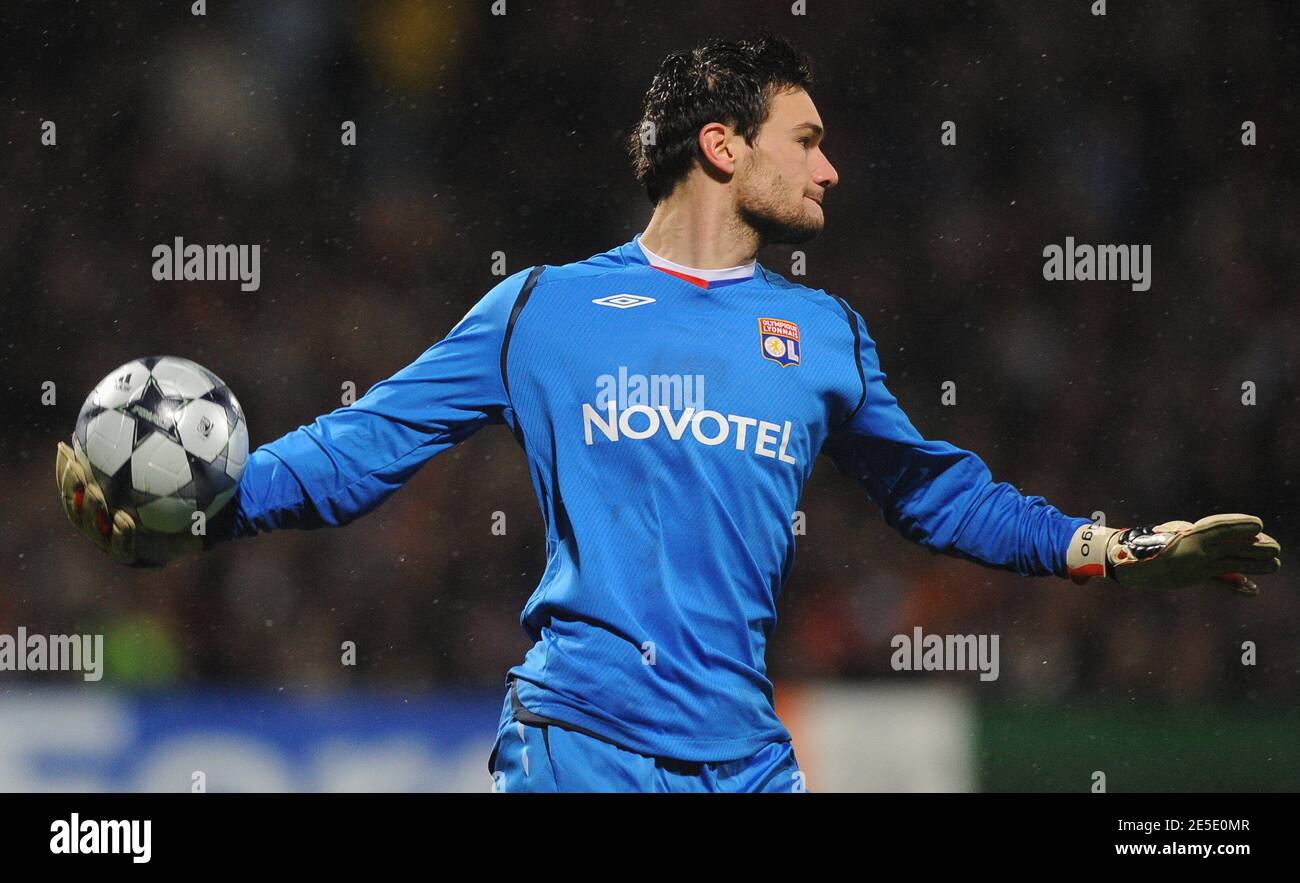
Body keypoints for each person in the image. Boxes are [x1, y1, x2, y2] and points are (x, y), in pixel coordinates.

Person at [56, 33, 1282, 793]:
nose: (830, 169)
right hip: (579, 742)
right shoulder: (542, 309)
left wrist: (1116, 552)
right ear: (719, 144)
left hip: (742, 756)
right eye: (804, 141)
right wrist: (205, 512)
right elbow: (365, 441)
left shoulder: (824, 337)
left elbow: (938, 492)